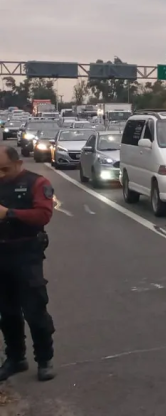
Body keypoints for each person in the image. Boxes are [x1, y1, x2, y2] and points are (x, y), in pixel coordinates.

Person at [0, 145, 56, 382]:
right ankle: (15, 358)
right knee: (7, 312)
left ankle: (44, 360)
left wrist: (9, 213)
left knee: (34, 310)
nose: (1, 175)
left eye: (5, 169)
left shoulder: (37, 183)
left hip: (26, 253)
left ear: (18, 164)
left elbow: (43, 215)